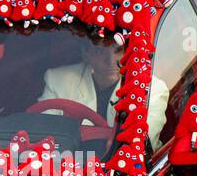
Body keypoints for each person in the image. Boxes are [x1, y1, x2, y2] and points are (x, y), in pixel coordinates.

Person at [37, 36, 168, 147]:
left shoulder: (152, 89)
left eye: (118, 50)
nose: (110, 62)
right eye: (99, 51)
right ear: (86, 54)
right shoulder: (58, 80)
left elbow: (140, 145)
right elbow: (41, 132)